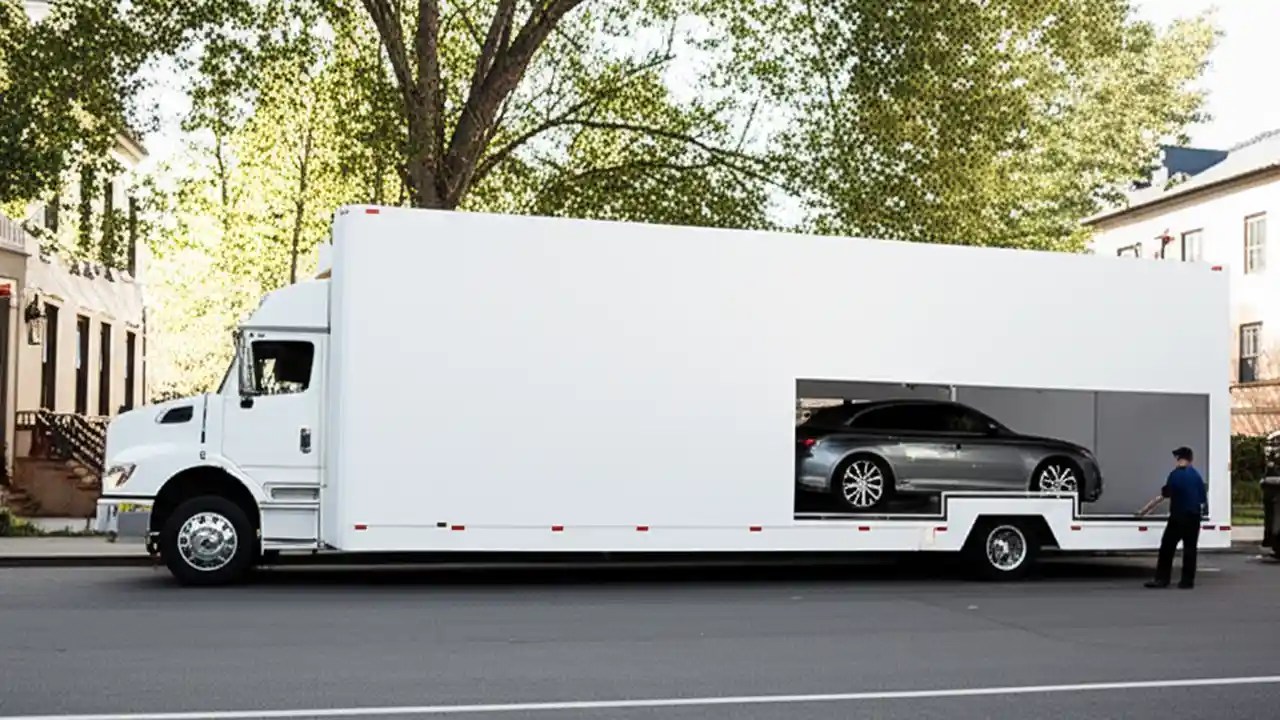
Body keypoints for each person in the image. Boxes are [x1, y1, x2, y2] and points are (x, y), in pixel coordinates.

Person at [1137, 446, 1207, 589]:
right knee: (1190, 549)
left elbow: (1164, 495)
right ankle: (1187, 581)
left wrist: (1144, 511)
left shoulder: (1175, 475)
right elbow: (1202, 498)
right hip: (1194, 517)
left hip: (1179, 515)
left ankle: (1162, 579)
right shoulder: (1196, 476)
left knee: (1167, 547)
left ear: (1179, 459)